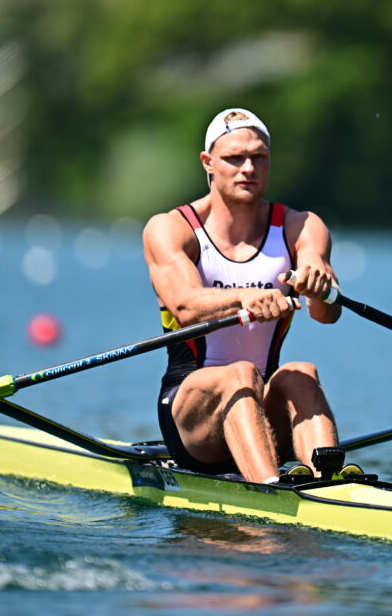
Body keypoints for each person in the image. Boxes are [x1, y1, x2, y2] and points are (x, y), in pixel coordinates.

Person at [142, 107, 342, 484]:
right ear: (208, 163)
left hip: (262, 413)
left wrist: (321, 289)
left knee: (301, 373)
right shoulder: (172, 229)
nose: (247, 168)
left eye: (258, 158)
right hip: (191, 417)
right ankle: (269, 489)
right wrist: (246, 298)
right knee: (240, 374)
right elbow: (185, 306)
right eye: (234, 158)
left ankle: (329, 484)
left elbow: (325, 312)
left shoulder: (302, 227)